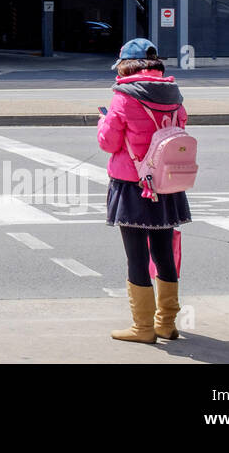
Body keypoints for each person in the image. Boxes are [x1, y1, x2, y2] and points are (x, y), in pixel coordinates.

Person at [97, 37, 191, 344]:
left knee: (136, 257)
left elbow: (109, 142)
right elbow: (180, 128)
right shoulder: (173, 92)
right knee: (163, 253)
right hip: (166, 181)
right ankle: (166, 323)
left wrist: (102, 122)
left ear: (125, 65)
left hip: (131, 182)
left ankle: (142, 328)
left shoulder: (123, 96)